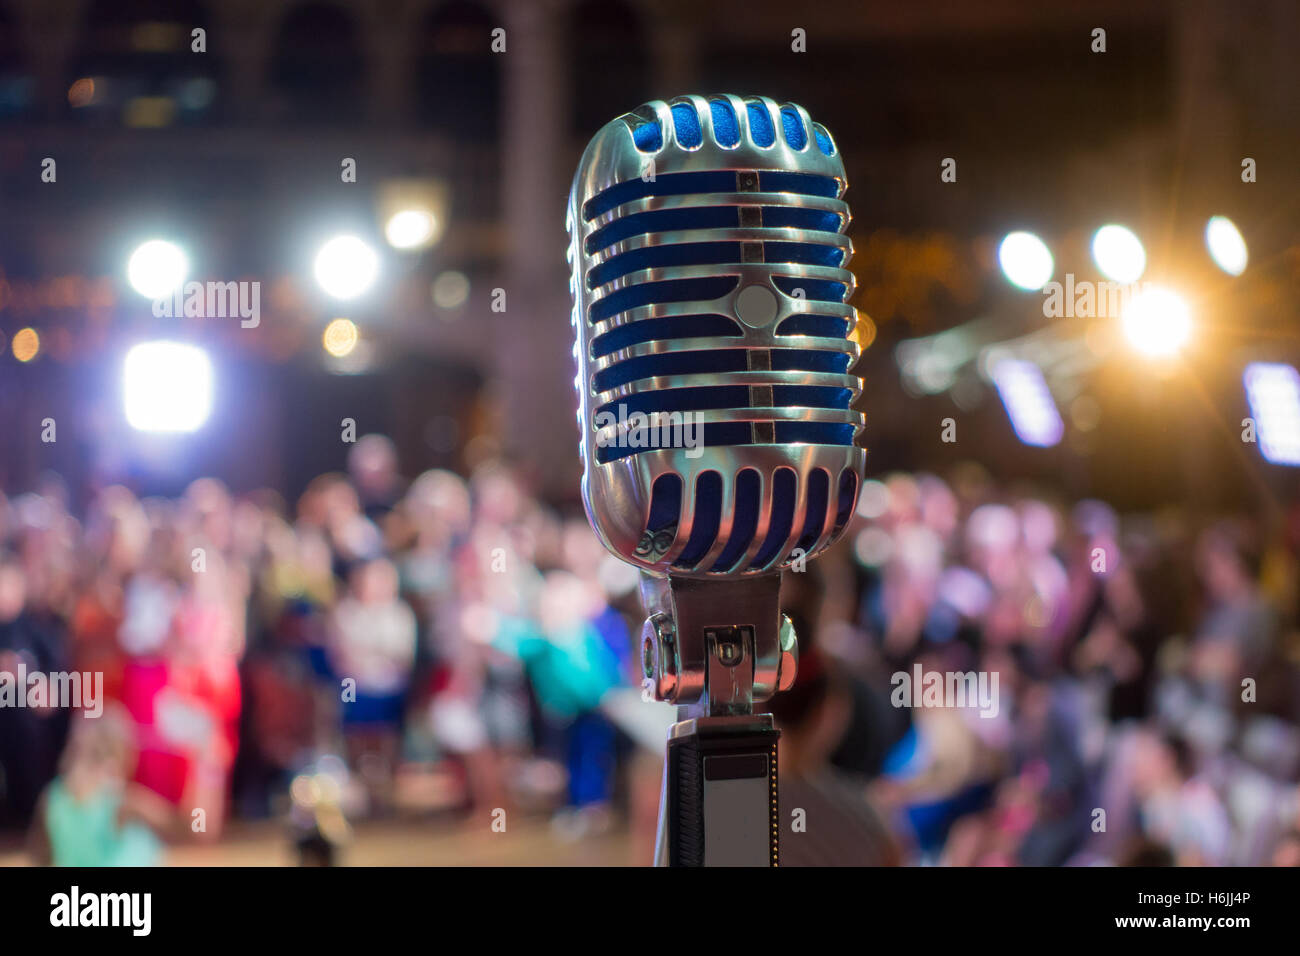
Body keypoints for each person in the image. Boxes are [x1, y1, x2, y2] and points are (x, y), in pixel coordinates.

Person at [28, 707, 177, 866]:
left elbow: (39, 852)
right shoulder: (114, 796)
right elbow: (167, 821)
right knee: (141, 838)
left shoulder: (53, 796)